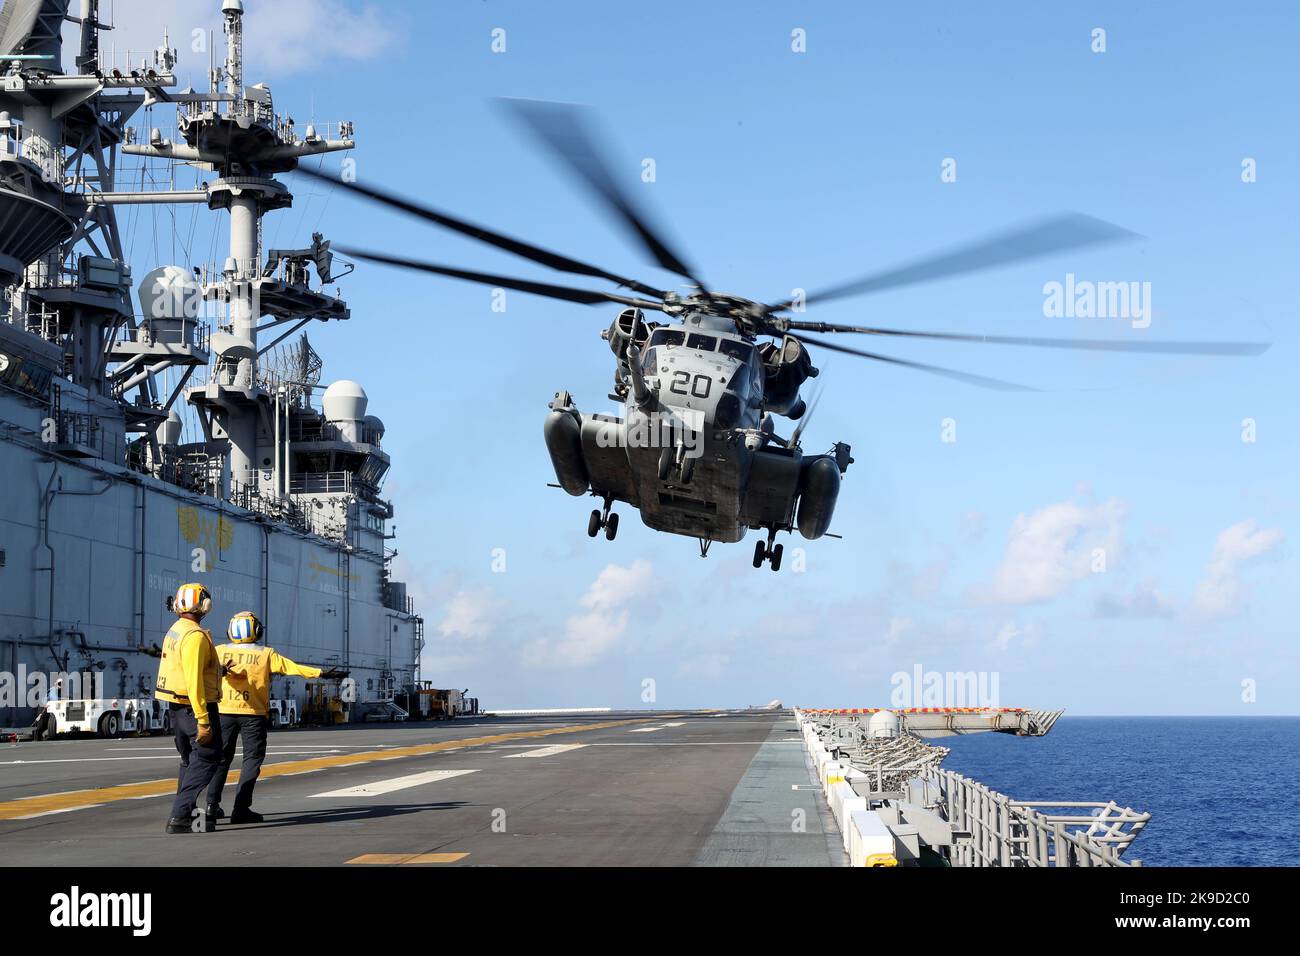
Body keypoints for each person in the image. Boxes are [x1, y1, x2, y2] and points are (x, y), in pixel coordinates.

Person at [205, 611, 344, 824]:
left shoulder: (219, 651)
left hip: (223, 712)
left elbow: (200, 667)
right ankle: (241, 809)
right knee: (251, 760)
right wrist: (320, 673)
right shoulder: (266, 654)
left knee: (220, 760)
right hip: (253, 715)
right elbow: (292, 668)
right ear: (257, 631)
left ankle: (211, 808)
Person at [155, 582, 223, 834]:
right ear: (204, 605)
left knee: (189, 761)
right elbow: (193, 680)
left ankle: (190, 813)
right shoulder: (195, 636)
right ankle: (181, 815)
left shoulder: (175, 629)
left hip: (177, 706)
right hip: (193, 707)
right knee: (207, 757)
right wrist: (204, 720)